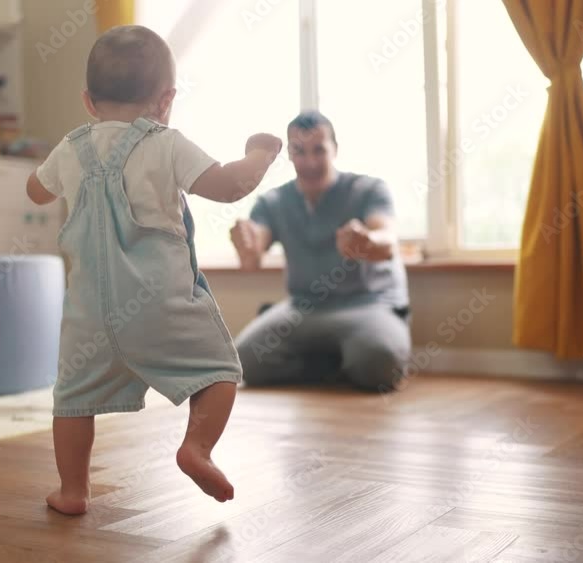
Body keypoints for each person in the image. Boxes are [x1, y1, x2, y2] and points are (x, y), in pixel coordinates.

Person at [25, 25, 283, 515]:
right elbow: (229, 187)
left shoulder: (70, 147)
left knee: (73, 401)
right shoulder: (166, 143)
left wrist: (46, 181)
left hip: (87, 317)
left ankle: (74, 491)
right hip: (159, 305)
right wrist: (259, 154)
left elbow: (36, 191)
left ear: (87, 100)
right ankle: (196, 447)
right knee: (220, 371)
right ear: (165, 100)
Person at [230, 111, 412, 392]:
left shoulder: (369, 190)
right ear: (289, 154)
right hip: (303, 308)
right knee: (246, 361)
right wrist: (245, 244)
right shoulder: (273, 202)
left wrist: (365, 241)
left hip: (367, 305)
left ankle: (337, 360)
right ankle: (336, 364)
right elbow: (252, 259)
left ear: (335, 150)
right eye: (299, 151)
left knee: (378, 364)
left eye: (319, 150)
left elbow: (387, 242)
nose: (310, 162)